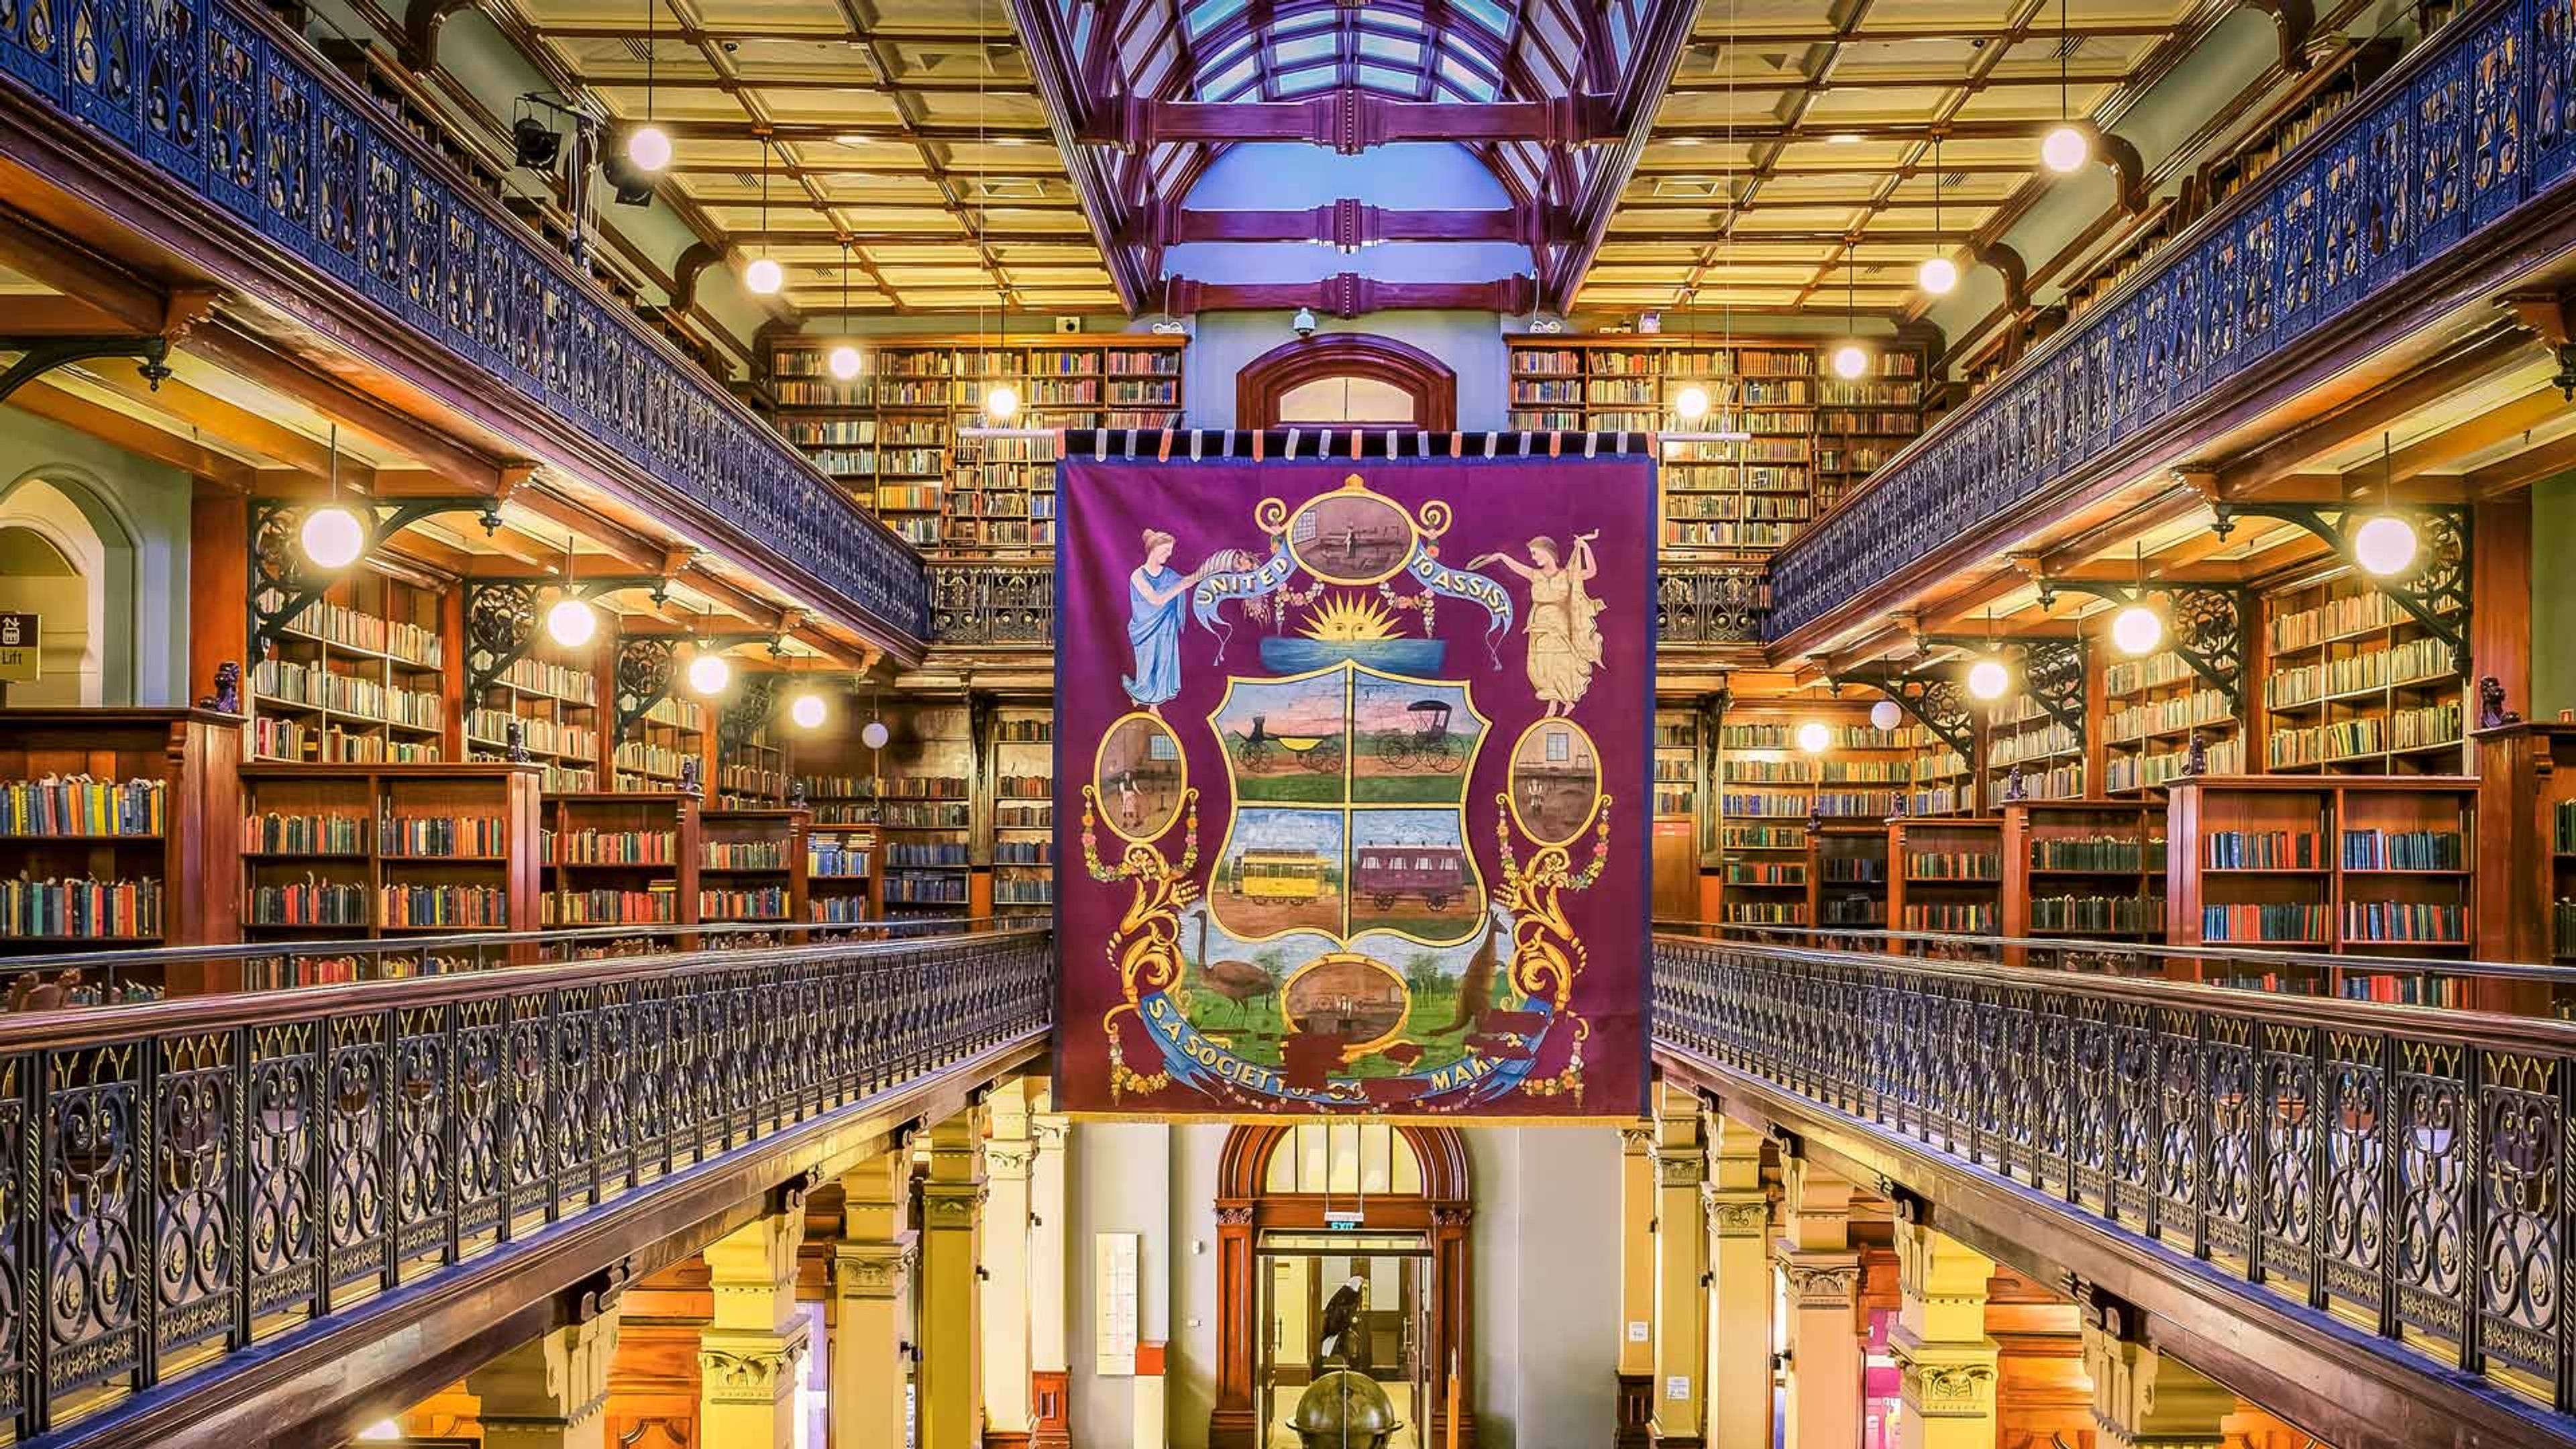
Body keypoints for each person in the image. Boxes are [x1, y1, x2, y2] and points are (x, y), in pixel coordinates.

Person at [1468, 531, 1603, 716]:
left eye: (1534, 553)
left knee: (1560, 662)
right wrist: (1501, 556)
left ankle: (1566, 701)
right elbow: (1516, 567)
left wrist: (1584, 546)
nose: (1532, 557)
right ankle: (1554, 703)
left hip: (1559, 625)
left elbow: (1592, 571)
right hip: (1538, 625)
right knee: (1541, 664)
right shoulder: (1535, 575)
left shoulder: (1567, 575)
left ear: (1546, 551)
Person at [1123, 530, 1241, 714]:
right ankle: (1140, 693)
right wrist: (1181, 586)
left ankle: (1154, 705)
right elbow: (1156, 600)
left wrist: (1216, 566)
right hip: (1145, 628)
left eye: (1170, 551)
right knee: (1146, 664)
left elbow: (1190, 580)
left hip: (1166, 627)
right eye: (1166, 550)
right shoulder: (1137, 576)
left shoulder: (1169, 574)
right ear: (1153, 549)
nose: (1169, 555)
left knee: (1163, 663)